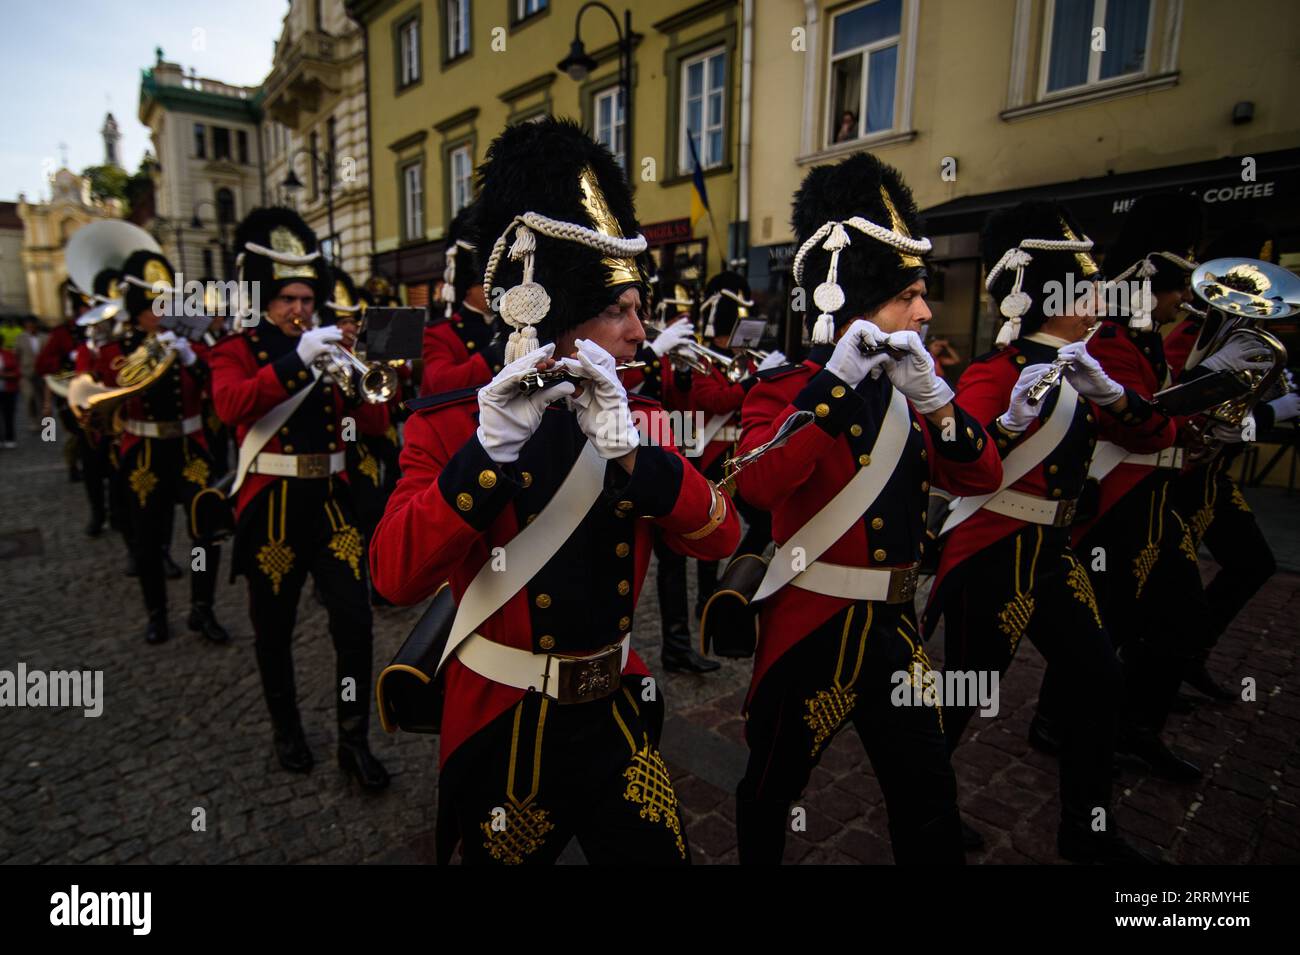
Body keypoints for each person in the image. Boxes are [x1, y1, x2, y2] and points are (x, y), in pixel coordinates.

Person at [370, 118, 740, 864]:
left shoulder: (643, 419)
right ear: (554, 314)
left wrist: (634, 456)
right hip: (508, 722)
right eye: (618, 310)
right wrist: (490, 452)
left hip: (614, 713)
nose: (642, 331)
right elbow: (393, 573)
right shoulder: (450, 429)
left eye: (640, 308)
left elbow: (724, 535)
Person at [732, 152, 1003, 864]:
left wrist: (942, 406)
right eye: (908, 294)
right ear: (856, 298)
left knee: (929, 796)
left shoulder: (912, 392)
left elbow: (983, 475)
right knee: (771, 787)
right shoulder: (786, 387)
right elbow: (757, 486)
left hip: (894, 629)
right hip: (809, 627)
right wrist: (833, 386)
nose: (924, 309)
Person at [927, 200, 1173, 863]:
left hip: (1053, 552)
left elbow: (1158, 432)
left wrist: (1114, 395)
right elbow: (956, 467)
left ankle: (1085, 830)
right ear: (1046, 297)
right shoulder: (993, 372)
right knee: (964, 693)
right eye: (1085, 287)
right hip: (994, 551)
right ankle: (926, 809)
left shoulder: (1090, 366)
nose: (1098, 298)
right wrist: (1006, 423)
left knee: (1099, 678)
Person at [210, 206, 390, 791]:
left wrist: (372, 377)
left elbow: (375, 422)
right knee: (274, 626)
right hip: (274, 509)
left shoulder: (329, 346)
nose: (300, 310)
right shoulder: (238, 349)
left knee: (355, 622)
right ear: (268, 298)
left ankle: (353, 737)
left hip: (332, 503)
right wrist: (297, 361)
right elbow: (231, 407)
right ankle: (286, 728)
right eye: (289, 299)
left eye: (307, 300)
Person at [1163, 224, 1296, 699]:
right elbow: (1175, 407)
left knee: (1253, 563)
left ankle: (1188, 655)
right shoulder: (1193, 336)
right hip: (1180, 476)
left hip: (1213, 475)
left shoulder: (1254, 344)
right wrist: (1264, 414)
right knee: (1168, 591)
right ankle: (1158, 672)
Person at [87, 250, 229, 646]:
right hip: (144, 450)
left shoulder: (191, 344)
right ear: (137, 310)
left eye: (166, 304)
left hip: (189, 447)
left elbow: (216, 388)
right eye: (153, 307)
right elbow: (105, 395)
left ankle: (203, 607)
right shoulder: (118, 350)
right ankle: (157, 613)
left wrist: (187, 356)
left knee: (205, 531)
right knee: (149, 538)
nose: (162, 313)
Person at [419, 202, 505, 394]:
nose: (495, 290)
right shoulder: (439, 333)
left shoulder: (511, 325)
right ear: (467, 288)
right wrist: (494, 354)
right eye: (484, 284)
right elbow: (442, 383)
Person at [15, 316, 46, 431]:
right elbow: (16, 355)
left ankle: (44, 421)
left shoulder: (44, 337)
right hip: (26, 373)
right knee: (29, 397)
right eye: (29, 325)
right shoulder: (20, 338)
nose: (31, 327)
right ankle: (33, 420)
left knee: (43, 399)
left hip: (42, 373)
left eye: (33, 325)